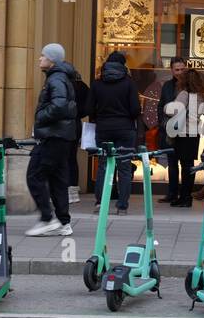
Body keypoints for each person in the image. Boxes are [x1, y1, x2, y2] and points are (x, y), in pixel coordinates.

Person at [25, 43, 79, 237]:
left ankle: (48, 219)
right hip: (62, 136)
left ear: (52, 59)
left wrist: (40, 117)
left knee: (34, 175)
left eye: (43, 56)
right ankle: (63, 222)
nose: (40, 58)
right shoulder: (60, 77)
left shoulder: (56, 79)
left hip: (53, 136)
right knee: (58, 179)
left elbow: (58, 105)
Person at [89, 50, 140, 216]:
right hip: (125, 129)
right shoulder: (128, 83)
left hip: (103, 128)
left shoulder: (97, 83)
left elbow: (89, 108)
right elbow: (135, 109)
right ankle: (122, 206)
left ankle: (100, 203)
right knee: (124, 167)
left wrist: (100, 116)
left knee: (103, 166)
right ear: (123, 65)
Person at [164, 67, 204, 207]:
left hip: (183, 132)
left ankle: (184, 198)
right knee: (189, 165)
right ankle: (186, 196)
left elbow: (172, 111)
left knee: (184, 165)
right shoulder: (200, 96)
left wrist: (166, 108)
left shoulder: (184, 94)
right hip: (194, 133)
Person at [155, 58, 187, 204]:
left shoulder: (189, 85)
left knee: (186, 162)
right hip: (170, 128)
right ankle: (172, 193)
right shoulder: (167, 85)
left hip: (186, 129)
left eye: (182, 69)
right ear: (172, 70)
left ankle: (185, 195)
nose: (180, 72)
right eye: (177, 69)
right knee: (172, 162)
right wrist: (163, 122)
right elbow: (161, 104)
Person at [67, 67, 90, 207]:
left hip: (61, 125)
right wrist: (78, 115)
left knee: (59, 158)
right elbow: (87, 108)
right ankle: (73, 191)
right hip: (75, 124)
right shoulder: (83, 87)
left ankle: (60, 190)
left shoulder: (62, 85)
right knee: (71, 158)